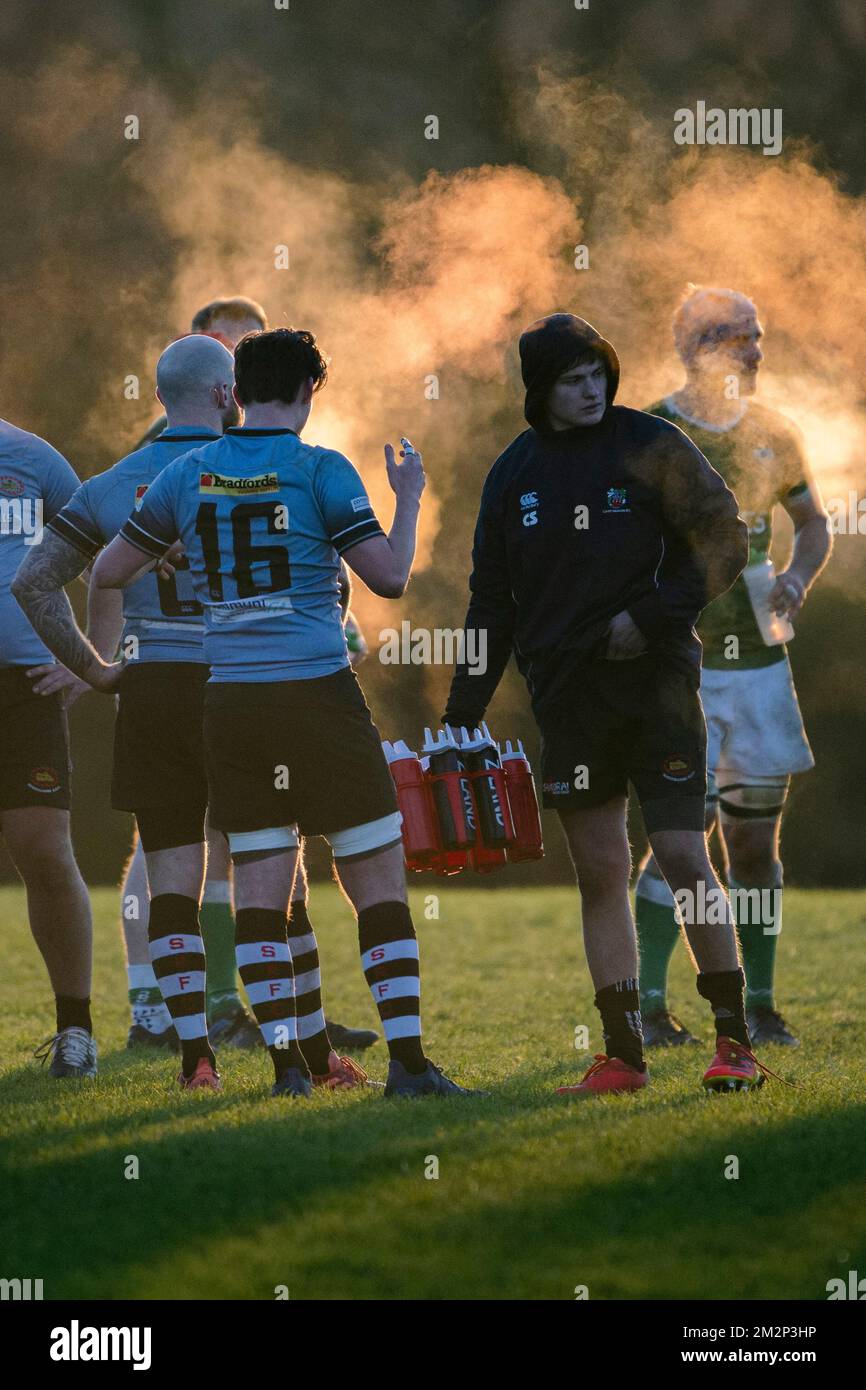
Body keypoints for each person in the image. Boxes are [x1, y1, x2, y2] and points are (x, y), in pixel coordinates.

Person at [91, 327, 479, 1098]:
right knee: (374, 877)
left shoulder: (190, 471)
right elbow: (392, 578)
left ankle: (285, 1073)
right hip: (317, 696)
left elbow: (107, 568)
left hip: (230, 703)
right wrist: (407, 499)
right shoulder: (319, 469)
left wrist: (183, 552)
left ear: (236, 393)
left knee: (260, 892)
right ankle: (407, 1064)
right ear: (306, 393)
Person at [443, 311, 767, 1096]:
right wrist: (461, 716)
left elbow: (725, 537)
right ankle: (623, 1057)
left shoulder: (649, 443)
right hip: (567, 697)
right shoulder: (513, 474)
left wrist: (652, 615)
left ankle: (735, 1044)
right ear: (541, 389)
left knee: (687, 858)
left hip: (656, 684)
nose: (590, 391)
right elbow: (491, 603)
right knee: (599, 872)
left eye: (598, 375)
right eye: (572, 380)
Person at [634, 287, 831, 1049]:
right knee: (685, 832)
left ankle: (762, 1004)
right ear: (694, 347)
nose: (754, 350)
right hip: (682, 664)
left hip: (758, 664)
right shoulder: (657, 429)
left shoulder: (774, 432)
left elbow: (813, 526)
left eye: (758, 334)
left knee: (752, 843)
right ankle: (649, 1006)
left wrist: (796, 577)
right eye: (738, 337)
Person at [0, 417, 97, 1077]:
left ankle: (76, 1032)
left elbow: (114, 557)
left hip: (26, 686)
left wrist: (88, 659)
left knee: (42, 850)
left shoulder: (35, 457)